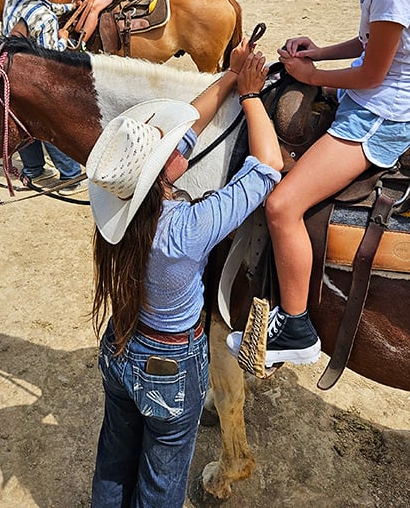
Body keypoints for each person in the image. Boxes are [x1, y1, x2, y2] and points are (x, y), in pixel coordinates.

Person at [229, 0, 410, 371]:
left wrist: (313, 73)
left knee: (281, 205)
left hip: (379, 116)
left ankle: (297, 327)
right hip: (375, 100)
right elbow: (367, 44)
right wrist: (318, 50)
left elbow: (371, 72)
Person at [87, 40, 283, 508]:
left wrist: (233, 77)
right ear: (162, 173)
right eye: (164, 145)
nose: (174, 139)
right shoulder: (186, 229)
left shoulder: (118, 208)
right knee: (161, 479)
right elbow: (268, 168)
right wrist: (253, 97)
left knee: (115, 457)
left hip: (122, 349)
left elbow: (190, 118)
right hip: (171, 370)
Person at [2, 0, 85, 194]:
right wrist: (64, 38)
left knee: (22, 119)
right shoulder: (46, 19)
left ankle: (33, 168)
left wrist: (70, 7)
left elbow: (45, 7)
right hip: (34, 75)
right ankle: (71, 175)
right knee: (50, 121)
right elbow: (51, 57)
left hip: (11, 68)